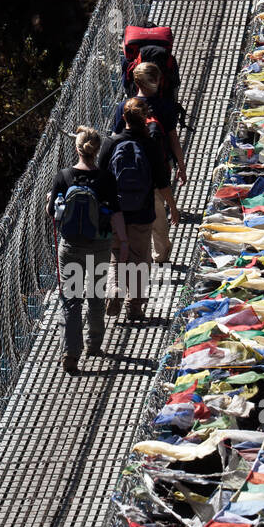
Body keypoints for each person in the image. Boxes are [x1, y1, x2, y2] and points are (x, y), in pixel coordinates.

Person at [47, 126, 124, 374]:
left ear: (77, 148)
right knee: (95, 294)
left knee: (71, 301)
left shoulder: (63, 176)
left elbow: (51, 212)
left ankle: (70, 352)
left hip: (70, 246)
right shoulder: (106, 179)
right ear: (97, 150)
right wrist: (122, 241)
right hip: (100, 244)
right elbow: (115, 213)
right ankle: (94, 344)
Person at [99, 98, 179, 324]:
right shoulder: (150, 144)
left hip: (116, 211)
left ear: (123, 118)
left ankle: (114, 289)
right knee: (140, 259)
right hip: (142, 211)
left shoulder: (110, 143)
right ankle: (134, 306)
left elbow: (101, 178)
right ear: (145, 119)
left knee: (116, 255)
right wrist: (172, 207)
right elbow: (162, 181)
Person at [112, 61, 187, 264]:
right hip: (156, 171)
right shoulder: (163, 106)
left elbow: (114, 138)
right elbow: (173, 139)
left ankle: (135, 255)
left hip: (126, 174)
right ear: (155, 81)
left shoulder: (124, 107)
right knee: (157, 217)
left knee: (131, 216)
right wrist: (181, 166)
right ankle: (160, 256)